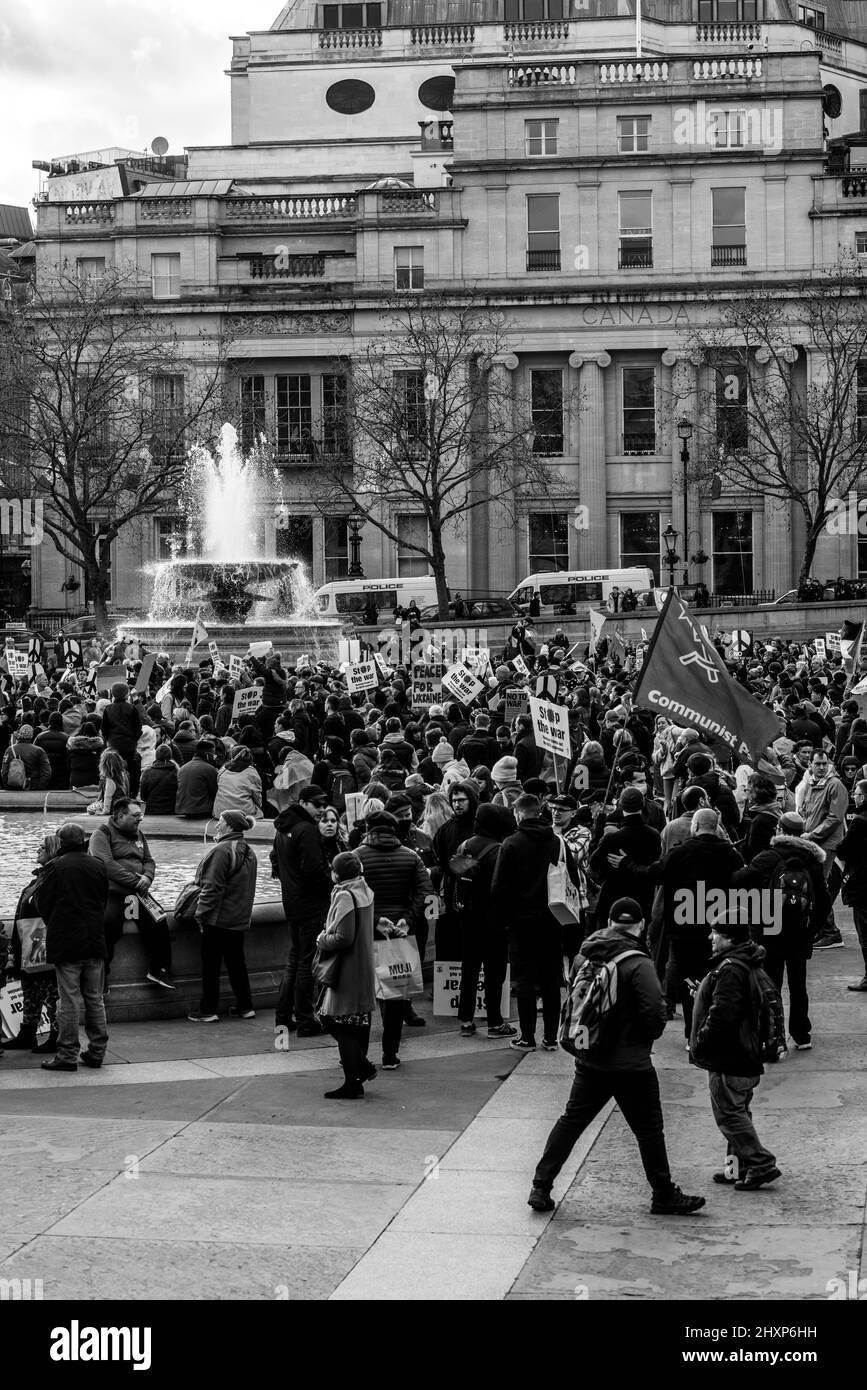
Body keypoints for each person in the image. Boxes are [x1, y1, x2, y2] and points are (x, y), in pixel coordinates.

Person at [527, 897, 706, 1216]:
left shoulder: (585, 953)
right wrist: (647, 1035)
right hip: (631, 1064)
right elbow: (653, 1012)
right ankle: (663, 1194)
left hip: (590, 1058)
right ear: (640, 925)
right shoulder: (638, 962)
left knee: (571, 1121)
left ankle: (541, 1186)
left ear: (609, 923)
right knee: (649, 1129)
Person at [689, 913, 781, 1191]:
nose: (710, 937)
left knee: (729, 1115)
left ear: (730, 938)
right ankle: (735, 1169)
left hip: (730, 1057)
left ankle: (761, 1163)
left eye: (715, 932)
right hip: (744, 1055)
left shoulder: (731, 969)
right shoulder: (746, 962)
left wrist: (701, 1040)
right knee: (738, 1112)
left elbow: (723, 1016)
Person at [732, 810, 829, 1051]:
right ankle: (802, 1034)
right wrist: (811, 929)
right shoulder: (813, 861)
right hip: (799, 934)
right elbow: (824, 902)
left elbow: (738, 881)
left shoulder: (767, 857)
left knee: (769, 985)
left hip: (768, 932)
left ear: (780, 831)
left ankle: (771, 1035)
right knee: (798, 984)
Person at [491, 792, 578, 1052]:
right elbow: (572, 877)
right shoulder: (558, 842)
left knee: (525, 980)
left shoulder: (511, 843)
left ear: (518, 813)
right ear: (540, 812)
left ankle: (527, 1036)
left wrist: (501, 920)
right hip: (553, 919)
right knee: (552, 979)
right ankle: (551, 1037)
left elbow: (499, 887)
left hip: (520, 922)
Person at [356, 808, 433, 1069]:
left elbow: (351, 895)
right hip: (401, 935)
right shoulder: (411, 857)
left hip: (368, 935)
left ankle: (361, 1056)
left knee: (364, 1000)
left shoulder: (357, 857)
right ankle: (390, 1055)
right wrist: (407, 920)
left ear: (368, 829)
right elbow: (426, 890)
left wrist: (375, 918)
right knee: (397, 998)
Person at [34, 822, 110, 1073]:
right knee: (95, 999)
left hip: (67, 942)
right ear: (83, 840)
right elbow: (102, 900)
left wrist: (57, 923)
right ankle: (97, 1051)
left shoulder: (55, 867)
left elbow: (42, 903)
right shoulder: (98, 865)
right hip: (95, 940)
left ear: (61, 842)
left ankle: (67, 1054)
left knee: (68, 1001)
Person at [89, 797, 174, 991]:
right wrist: (137, 881)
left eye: (140, 815)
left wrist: (148, 877)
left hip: (139, 893)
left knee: (159, 918)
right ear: (120, 815)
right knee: (108, 924)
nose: (140, 819)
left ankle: (159, 969)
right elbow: (106, 865)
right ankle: (103, 976)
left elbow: (149, 860)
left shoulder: (139, 834)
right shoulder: (101, 834)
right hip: (112, 893)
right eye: (136, 815)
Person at [271, 784, 333, 1037]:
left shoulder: (283, 827)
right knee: (307, 961)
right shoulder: (306, 830)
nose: (321, 810)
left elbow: (276, 862)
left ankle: (283, 1017)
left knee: (295, 960)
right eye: (317, 805)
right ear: (304, 803)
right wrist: (333, 887)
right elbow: (313, 870)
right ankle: (306, 1019)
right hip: (310, 904)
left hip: (292, 902)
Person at [315, 850, 377, 1099]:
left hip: (347, 969)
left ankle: (356, 1077)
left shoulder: (344, 895)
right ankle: (358, 1074)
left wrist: (322, 939)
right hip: (362, 966)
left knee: (335, 1021)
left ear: (336, 873)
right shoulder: (364, 889)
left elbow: (343, 937)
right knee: (349, 1024)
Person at [188, 811, 258, 1024]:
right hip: (239, 918)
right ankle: (245, 1006)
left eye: (220, 822)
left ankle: (208, 1009)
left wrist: (201, 914)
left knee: (210, 965)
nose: (217, 826)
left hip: (218, 919)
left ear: (229, 826)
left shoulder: (222, 850)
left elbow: (211, 888)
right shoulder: (249, 851)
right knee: (237, 963)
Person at [453, 803, 516, 1039]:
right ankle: (495, 1022)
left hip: (467, 917)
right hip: (492, 919)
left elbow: (457, 874)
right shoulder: (499, 849)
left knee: (469, 969)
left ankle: (467, 1020)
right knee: (494, 972)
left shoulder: (465, 845)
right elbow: (503, 886)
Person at [3, 833, 61, 1054]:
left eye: (43, 848)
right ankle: (27, 1032)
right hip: (28, 938)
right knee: (29, 987)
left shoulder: (50, 878)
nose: (38, 850)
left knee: (48, 990)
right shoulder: (38, 878)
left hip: (39, 939)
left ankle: (55, 1034)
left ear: (53, 851)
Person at [795, 748, 848, 948]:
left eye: (824, 764)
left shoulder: (835, 785)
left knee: (820, 887)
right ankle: (823, 930)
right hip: (814, 843)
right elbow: (807, 812)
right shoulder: (811, 784)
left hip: (825, 844)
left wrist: (811, 834)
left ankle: (831, 932)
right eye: (817, 764)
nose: (821, 767)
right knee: (817, 886)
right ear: (810, 765)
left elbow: (835, 818)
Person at [833, 778, 867, 992]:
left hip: (863, 883)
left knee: (865, 932)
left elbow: (845, 850)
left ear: (863, 797)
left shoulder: (860, 821)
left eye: (856, 793)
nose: (853, 795)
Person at [100, 682, 149, 797]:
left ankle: (112, 794)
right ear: (126, 694)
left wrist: (109, 740)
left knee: (113, 771)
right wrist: (133, 739)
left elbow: (104, 729)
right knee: (132, 770)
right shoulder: (131, 708)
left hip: (113, 746)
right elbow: (138, 728)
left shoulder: (108, 709)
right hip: (129, 745)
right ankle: (131, 793)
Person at [213, 745, 264, 822]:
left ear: (232, 757)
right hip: (244, 813)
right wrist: (259, 806)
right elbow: (257, 796)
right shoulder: (252, 772)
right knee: (259, 813)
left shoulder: (223, 770)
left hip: (219, 813)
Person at [175, 740, 218, 818]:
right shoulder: (210, 769)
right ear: (207, 755)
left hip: (181, 810)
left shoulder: (182, 769)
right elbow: (215, 793)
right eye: (213, 755)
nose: (214, 758)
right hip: (201, 810)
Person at [1, 724, 51, 790]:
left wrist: (7, 786)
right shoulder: (39, 751)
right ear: (32, 735)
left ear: (20, 734)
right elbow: (47, 771)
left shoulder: (10, 750)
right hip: (33, 787)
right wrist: (40, 786)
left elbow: (4, 771)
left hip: (14, 787)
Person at [138, 744, 180, 815]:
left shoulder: (147, 772)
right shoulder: (176, 771)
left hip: (152, 811)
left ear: (156, 755)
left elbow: (143, 796)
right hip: (171, 811)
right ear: (170, 755)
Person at [35, 712, 69, 790]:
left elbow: (35, 755)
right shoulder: (67, 738)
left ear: (50, 722)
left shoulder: (40, 737)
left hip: (44, 774)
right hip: (61, 775)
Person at [66, 719, 104, 789]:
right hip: (94, 780)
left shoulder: (73, 746)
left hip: (76, 781)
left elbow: (68, 765)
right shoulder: (99, 747)